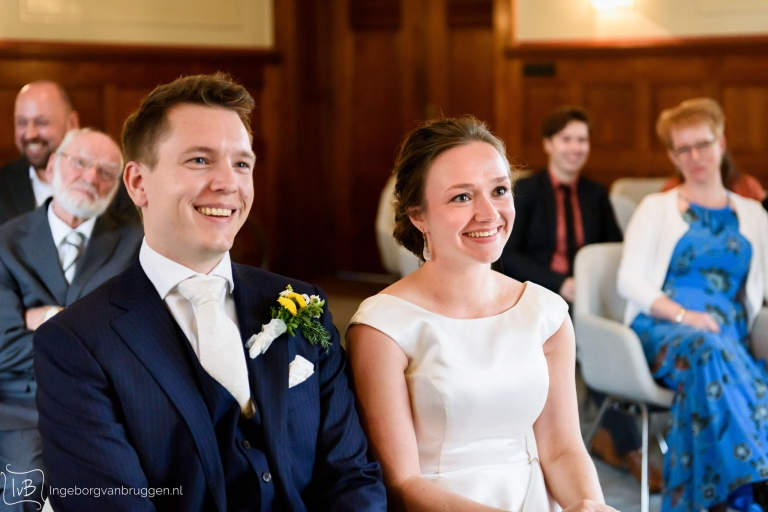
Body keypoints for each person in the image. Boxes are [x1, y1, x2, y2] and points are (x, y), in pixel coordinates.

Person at [33, 73, 385, 511]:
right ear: (138, 183)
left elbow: (352, 476)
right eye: (200, 160)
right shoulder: (75, 342)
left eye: (241, 163)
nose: (227, 183)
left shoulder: (302, 303)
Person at [347, 116, 615, 512]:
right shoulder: (383, 325)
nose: (489, 213)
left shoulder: (546, 312)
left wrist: (589, 503)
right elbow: (401, 481)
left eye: (499, 190)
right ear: (418, 215)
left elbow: (561, 448)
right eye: (462, 197)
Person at [618, 97, 768, 512]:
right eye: (683, 149)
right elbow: (628, 280)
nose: (695, 156)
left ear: (721, 143)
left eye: (702, 144)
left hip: (728, 331)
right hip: (664, 324)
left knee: (714, 361)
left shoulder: (754, 214)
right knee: (709, 351)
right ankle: (757, 481)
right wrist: (686, 316)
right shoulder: (656, 207)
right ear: (672, 155)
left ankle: (721, 498)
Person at [498, 106, 659, 490]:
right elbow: (506, 253)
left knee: (608, 338)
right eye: (567, 139)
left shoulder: (596, 195)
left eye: (582, 140)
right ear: (549, 144)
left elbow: (615, 251)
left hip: (585, 303)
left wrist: (585, 288)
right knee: (590, 335)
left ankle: (617, 440)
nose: (575, 147)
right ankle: (621, 445)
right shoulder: (526, 191)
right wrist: (559, 282)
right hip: (536, 296)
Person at [0, 128, 142, 511]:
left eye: (106, 172)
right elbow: (2, 347)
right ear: (52, 167)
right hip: (24, 406)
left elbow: (138, 342)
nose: (91, 178)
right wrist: (86, 333)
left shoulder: (136, 244)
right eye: (80, 163)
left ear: (120, 184)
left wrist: (44, 317)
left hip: (109, 405)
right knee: (24, 494)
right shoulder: (5, 242)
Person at [0, 80, 137, 225]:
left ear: (72, 123)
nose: (30, 134)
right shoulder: (3, 182)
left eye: (41, 122)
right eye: (21, 122)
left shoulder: (115, 183)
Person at [660, 149, 766, 202]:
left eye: (703, 146)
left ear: (721, 147)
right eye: (685, 148)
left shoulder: (748, 185)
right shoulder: (672, 189)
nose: (696, 157)